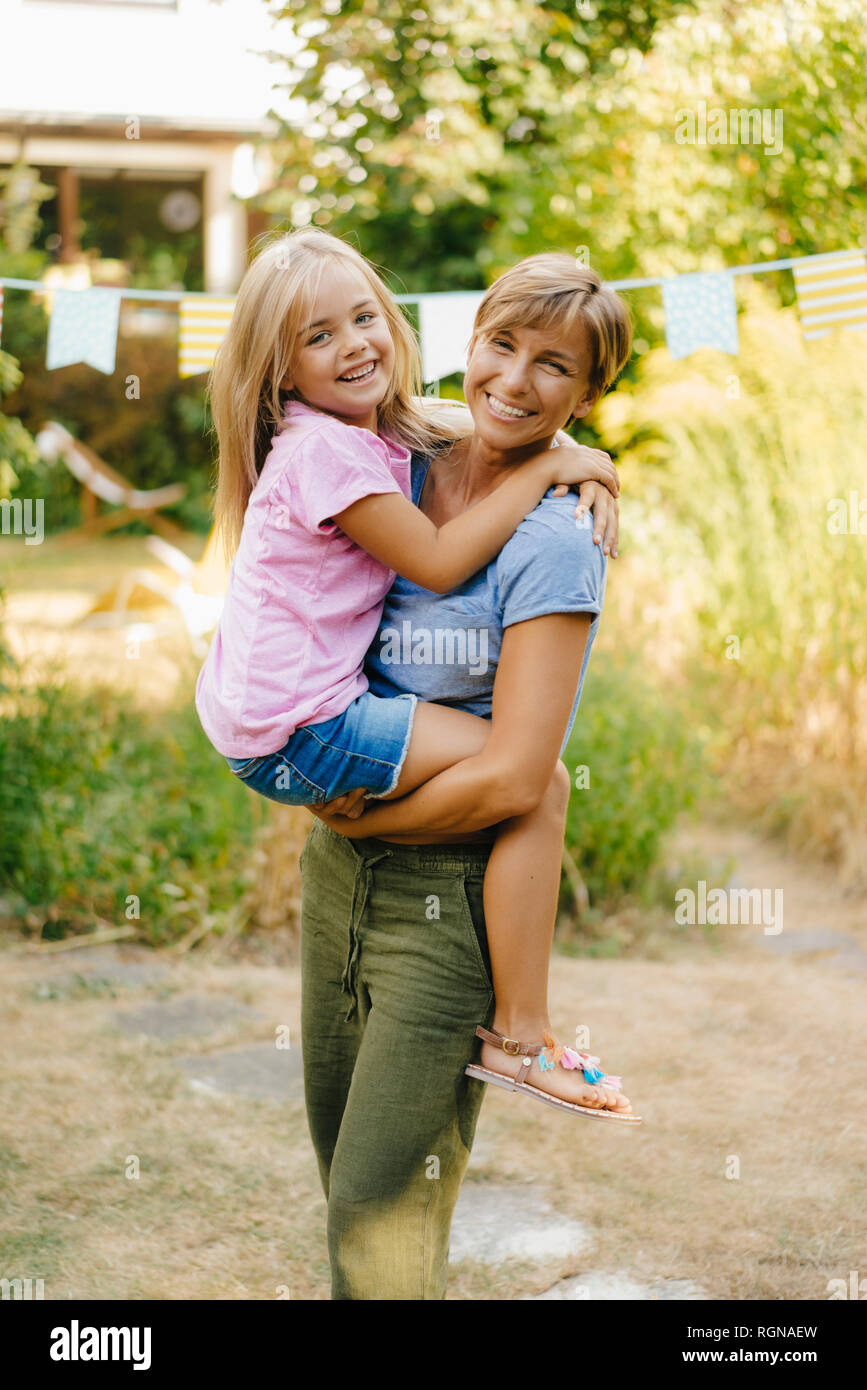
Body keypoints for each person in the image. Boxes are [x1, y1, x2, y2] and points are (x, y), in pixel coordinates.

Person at [195, 228, 631, 1127]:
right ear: (280, 370)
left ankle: (522, 1037)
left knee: (525, 778)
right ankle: (522, 1040)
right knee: (538, 786)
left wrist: (584, 460)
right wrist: (554, 458)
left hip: (275, 720)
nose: (354, 343)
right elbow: (434, 561)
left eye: (364, 318)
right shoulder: (334, 453)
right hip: (306, 728)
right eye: (319, 337)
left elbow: (472, 422)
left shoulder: (370, 432)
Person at [299, 250, 640, 1297]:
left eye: (556, 368)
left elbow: (514, 780)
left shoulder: (555, 544)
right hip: (332, 883)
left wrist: (362, 826)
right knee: (341, 1177)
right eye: (503, 344)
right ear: (469, 338)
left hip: (445, 896)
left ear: (587, 392)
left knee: (381, 1209)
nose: (517, 380)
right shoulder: (399, 451)